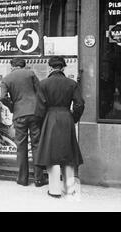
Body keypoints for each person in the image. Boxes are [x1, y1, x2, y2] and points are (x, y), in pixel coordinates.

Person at [35, 56, 85, 198]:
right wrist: (73, 118)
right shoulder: (72, 83)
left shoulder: (43, 84)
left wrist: (40, 124)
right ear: (63, 68)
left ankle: (55, 190)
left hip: (50, 118)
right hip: (66, 117)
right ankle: (69, 189)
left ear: (50, 68)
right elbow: (80, 104)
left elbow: (39, 109)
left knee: (51, 154)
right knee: (68, 153)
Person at [0, 58, 48, 187]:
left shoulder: (6, 78)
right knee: (36, 145)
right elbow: (40, 94)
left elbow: (3, 98)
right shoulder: (31, 73)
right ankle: (39, 179)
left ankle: (22, 179)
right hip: (34, 113)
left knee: (21, 147)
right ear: (23, 65)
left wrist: (12, 107)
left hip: (19, 114)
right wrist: (41, 109)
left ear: (12, 66)